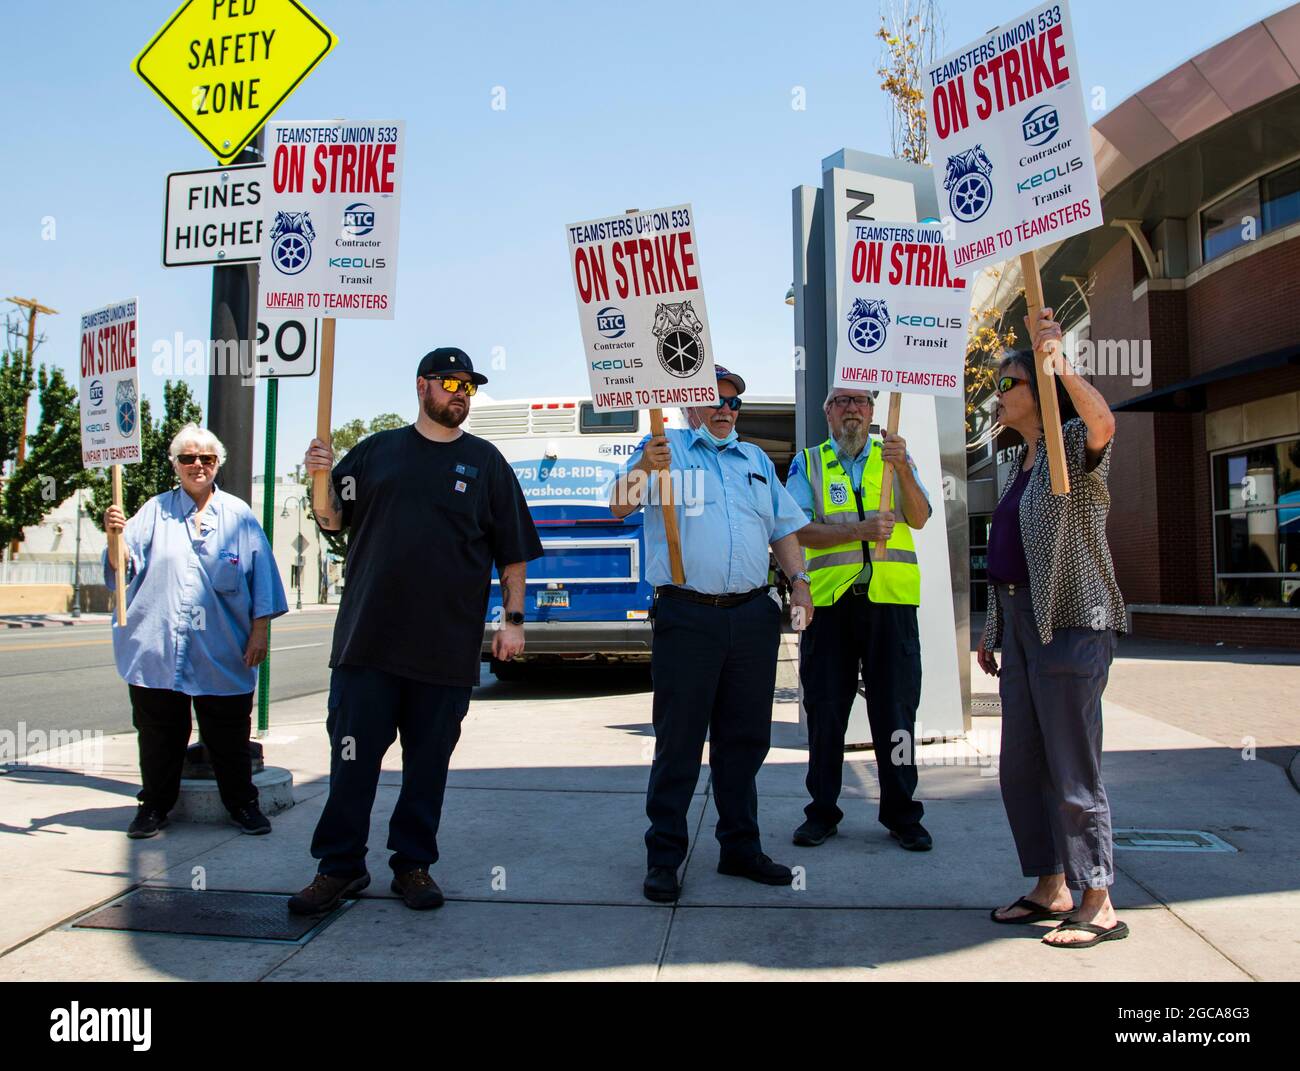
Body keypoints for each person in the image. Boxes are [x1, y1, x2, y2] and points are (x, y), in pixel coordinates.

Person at [289, 347, 542, 916]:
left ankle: (413, 865)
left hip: (445, 649)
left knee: (427, 766)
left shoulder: (486, 463)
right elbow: (330, 518)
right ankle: (339, 868)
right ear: (422, 386)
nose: (461, 393)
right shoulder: (377, 451)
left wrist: (514, 622)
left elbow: (513, 554)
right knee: (352, 763)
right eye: (451, 382)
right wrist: (319, 477)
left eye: (469, 386)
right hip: (367, 644)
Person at [609, 366, 813, 903]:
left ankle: (739, 848)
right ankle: (664, 857)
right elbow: (618, 505)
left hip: (751, 617)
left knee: (745, 741)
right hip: (687, 616)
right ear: (690, 405)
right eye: (716, 401)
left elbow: (783, 529)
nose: (726, 410)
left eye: (734, 404)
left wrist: (799, 583)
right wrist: (644, 473)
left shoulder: (756, 462)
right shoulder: (664, 445)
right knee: (678, 741)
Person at [978, 308, 1129, 949]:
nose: (996, 395)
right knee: (1021, 765)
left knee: (1072, 764)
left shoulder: (1073, 449)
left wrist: (1057, 361)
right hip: (1018, 625)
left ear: (1034, 392)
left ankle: (1098, 899)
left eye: (1006, 384)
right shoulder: (1015, 466)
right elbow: (1004, 553)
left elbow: (1104, 422)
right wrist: (992, 629)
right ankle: (1051, 884)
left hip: (1070, 621)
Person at [104, 424, 288, 839]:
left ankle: (243, 805)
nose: (197, 465)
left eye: (206, 458)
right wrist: (114, 533)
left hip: (223, 649)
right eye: (188, 458)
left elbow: (263, 580)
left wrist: (259, 635)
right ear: (176, 464)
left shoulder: (239, 516)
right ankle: (153, 807)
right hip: (158, 647)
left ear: (218, 463)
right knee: (159, 736)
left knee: (229, 735)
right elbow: (121, 566)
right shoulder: (153, 511)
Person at [785, 388, 933, 852]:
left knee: (896, 713)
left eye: (861, 402)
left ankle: (903, 814)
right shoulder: (807, 463)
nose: (852, 409)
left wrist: (904, 465)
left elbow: (921, 516)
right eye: (841, 401)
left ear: (872, 412)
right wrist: (857, 532)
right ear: (826, 411)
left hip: (890, 604)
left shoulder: (894, 457)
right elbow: (793, 528)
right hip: (830, 607)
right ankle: (822, 812)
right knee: (825, 713)